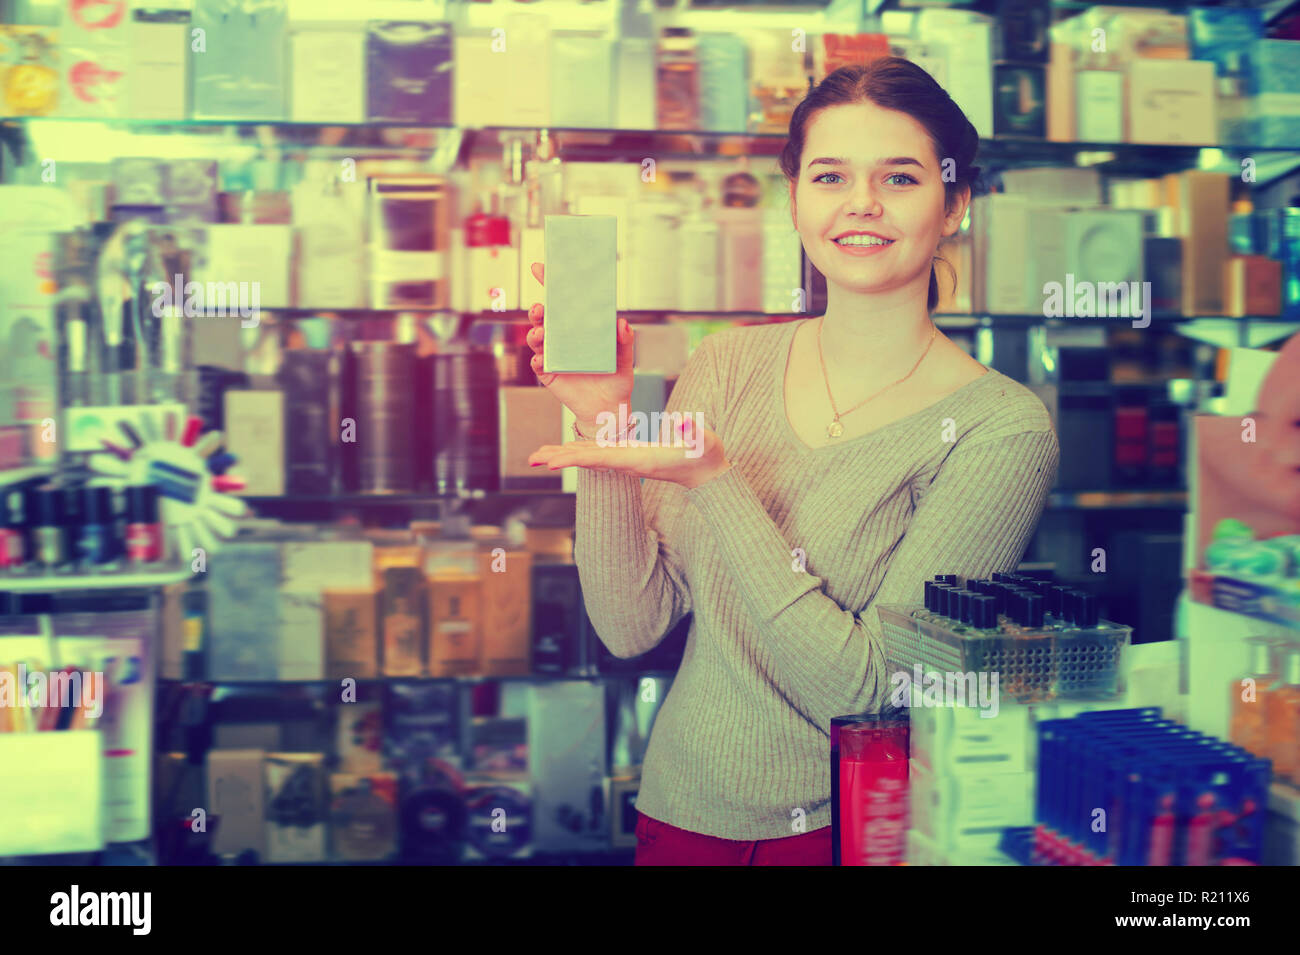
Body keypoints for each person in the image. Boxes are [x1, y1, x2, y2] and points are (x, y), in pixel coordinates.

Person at [526, 57, 1060, 866]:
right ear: (795, 199)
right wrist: (604, 426)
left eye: (901, 178)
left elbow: (870, 692)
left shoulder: (1001, 428)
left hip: (846, 831)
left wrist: (718, 484)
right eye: (830, 175)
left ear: (956, 204)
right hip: (677, 812)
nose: (861, 205)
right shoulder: (727, 366)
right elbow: (633, 625)